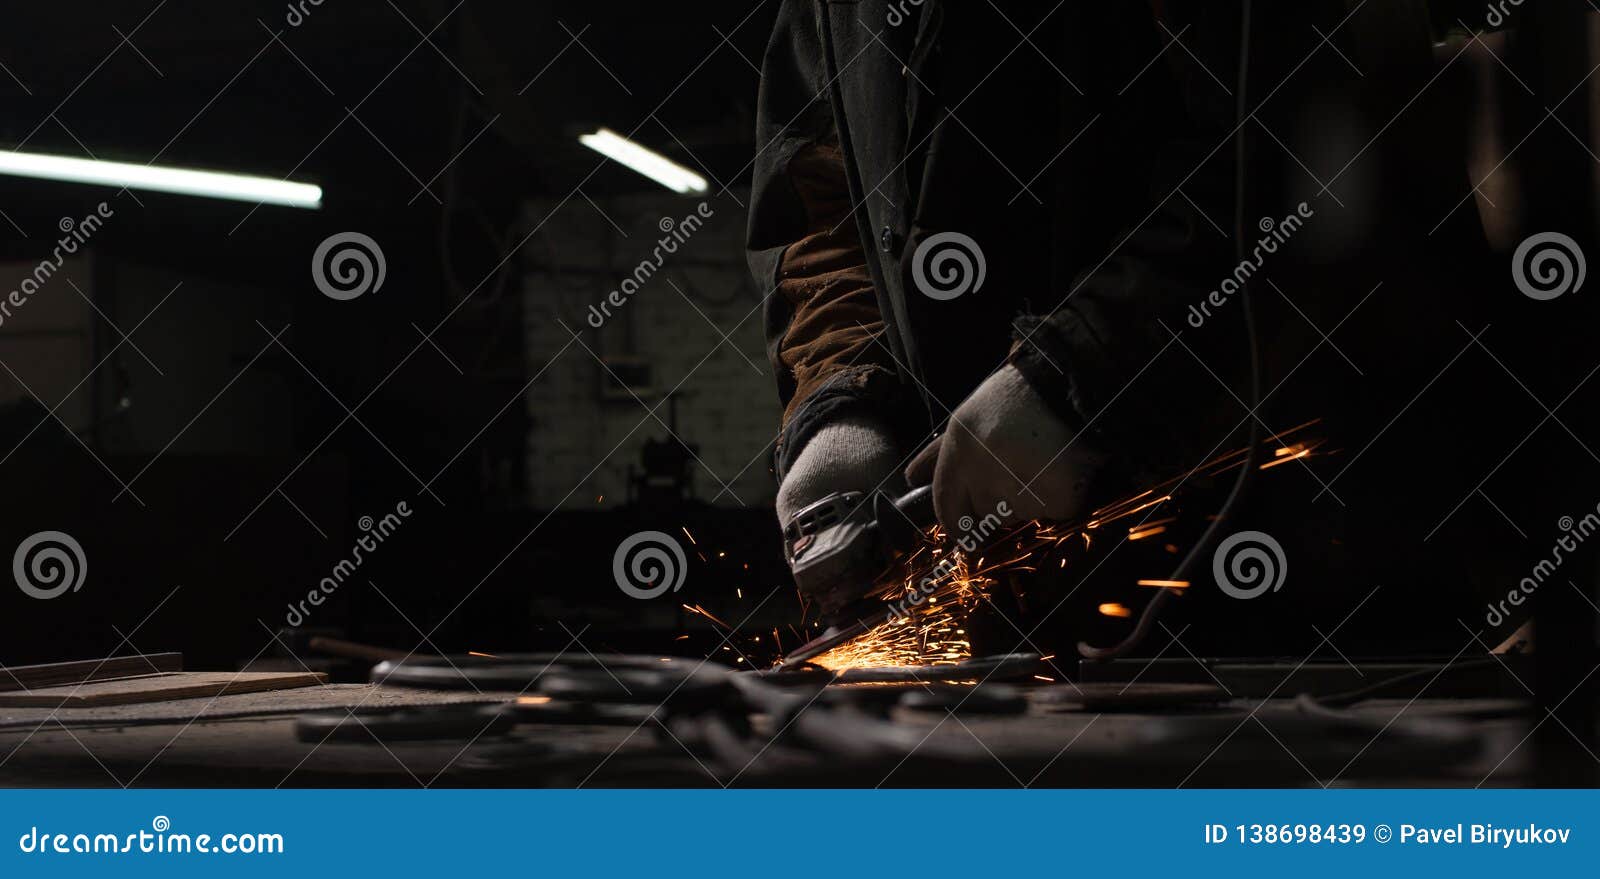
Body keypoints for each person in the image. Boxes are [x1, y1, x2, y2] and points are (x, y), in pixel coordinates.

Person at [746, 0, 1569, 654]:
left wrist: (1086, 373)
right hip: (1028, 613)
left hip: (1301, 584)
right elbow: (819, 205)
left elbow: (1311, 140)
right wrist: (844, 400)